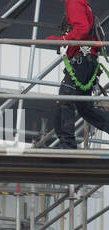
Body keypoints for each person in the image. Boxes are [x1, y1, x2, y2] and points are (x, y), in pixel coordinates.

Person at [49, 0, 109, 148]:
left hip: (82, 61)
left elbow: (82, 28)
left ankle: (68, 147)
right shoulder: (81, 4)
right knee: (85, 108)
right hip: (87, 61)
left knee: (65, 100)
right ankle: (67, 145)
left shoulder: (74, 2)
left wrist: (61, 40)